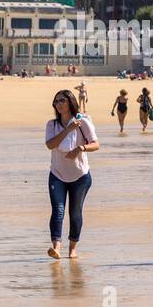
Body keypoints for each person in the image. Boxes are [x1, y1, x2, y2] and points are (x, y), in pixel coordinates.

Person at [44, 90, 99, 260]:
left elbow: (96, 144)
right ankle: (57, 248)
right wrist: (68, 129)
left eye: (62, 100)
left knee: (75, 212)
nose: (58, 104)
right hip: (57, 174)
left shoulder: (83, 123)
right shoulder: (52, 125)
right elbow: (50, 145)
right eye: (56, 101)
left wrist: (80, 148)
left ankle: (72, 249)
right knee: (58, 210)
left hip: (80, 176)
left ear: (70, 102)